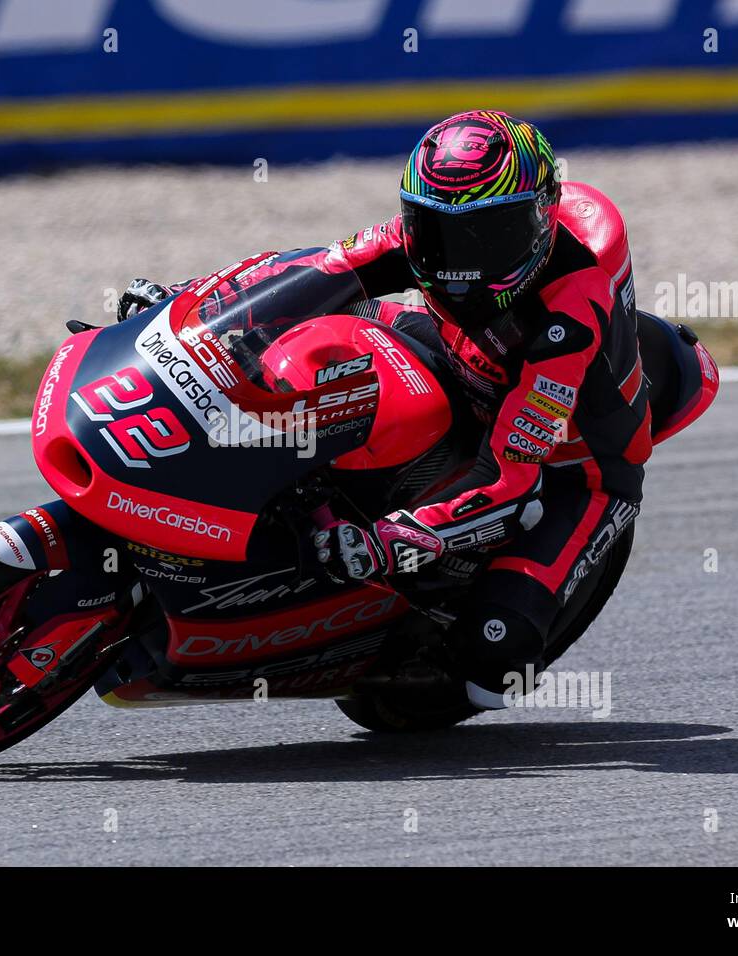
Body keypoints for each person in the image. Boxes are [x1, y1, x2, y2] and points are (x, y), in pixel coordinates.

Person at [118, 110, 649, 709]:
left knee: (494, 663)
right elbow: (311, 272)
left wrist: (388, 540)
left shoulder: (568, 319)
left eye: (485, 236)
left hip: (574, 467)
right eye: (434, 231)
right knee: (303, 350)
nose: (455, 264)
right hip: (461, 358)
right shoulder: (424, 240)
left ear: (539, 221)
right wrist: (191, 309)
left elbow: (511, 477)